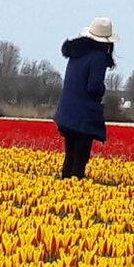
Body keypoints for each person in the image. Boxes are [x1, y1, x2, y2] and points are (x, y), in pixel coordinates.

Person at [54, 17, 118, 179]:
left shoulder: (76, 52)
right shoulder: (98, 56)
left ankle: (64, 190)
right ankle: (74, 194)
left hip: (67, 112)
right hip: (83, 114)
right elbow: (94, 86)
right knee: (80, 159)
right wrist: (102, 90)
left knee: (70, 156)